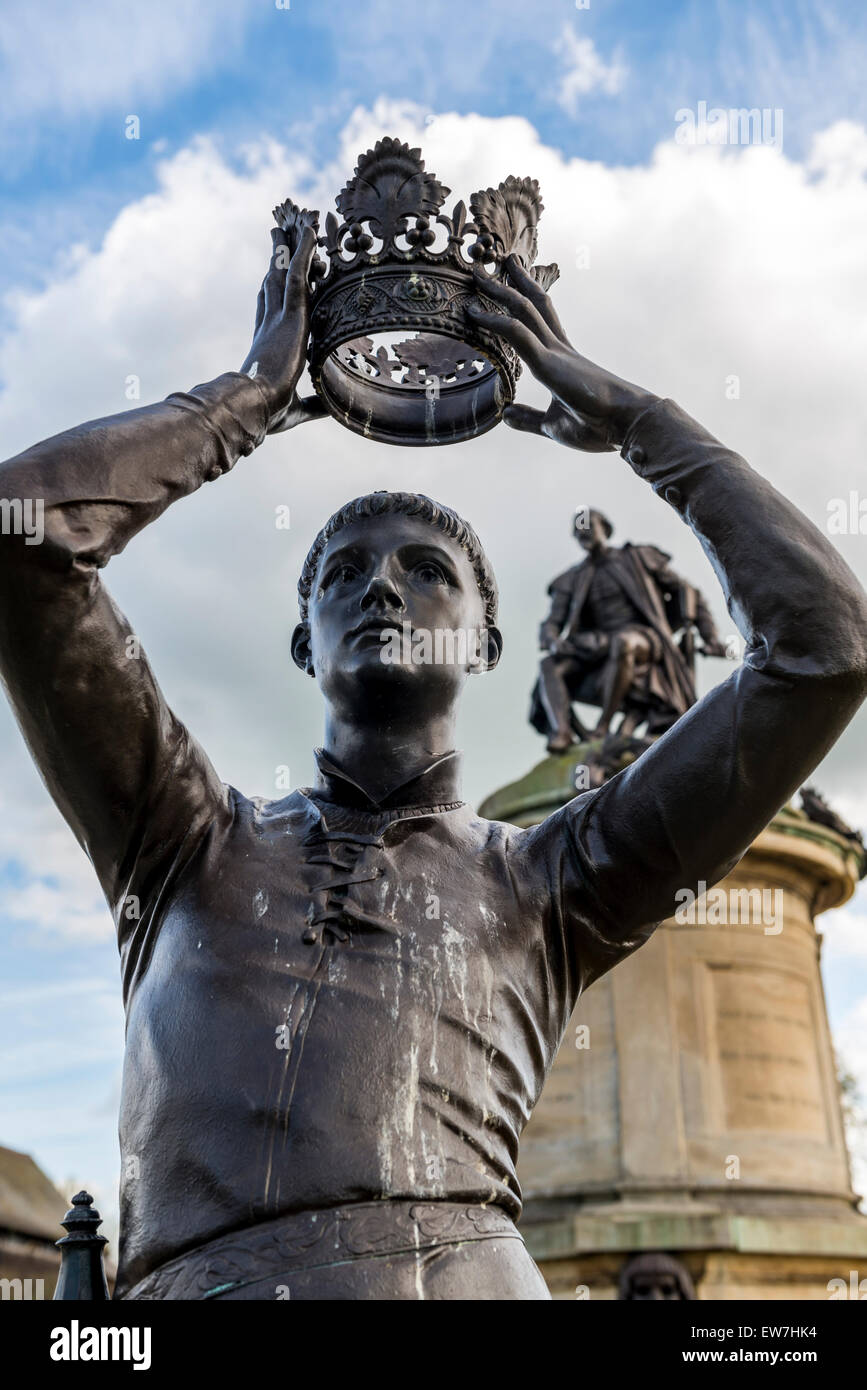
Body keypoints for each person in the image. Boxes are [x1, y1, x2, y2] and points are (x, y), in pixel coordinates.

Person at [1, 225, 865, 1300]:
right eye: (348, 572)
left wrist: (638, 421)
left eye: (427, 570)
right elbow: (24, 538)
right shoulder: (177, 838)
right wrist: (241, 403)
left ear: (489, 644)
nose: (383, 588)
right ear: (302, 643)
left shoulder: (554, 880)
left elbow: (826, 646)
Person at [532, 506, 726, 751]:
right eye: (578, 531)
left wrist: (711, 637)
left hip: (645, 637)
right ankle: (562, 732)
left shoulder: (637, 557)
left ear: (605, 528)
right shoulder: (571, 578)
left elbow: (688, 592)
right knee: (548, 665)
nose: (584, 533)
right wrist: (551, 639)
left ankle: (603, 726)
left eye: (589, 526)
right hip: (598, 641)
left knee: (623, 641)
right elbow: (552, 622)